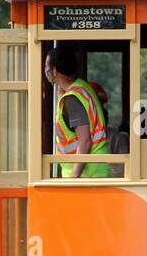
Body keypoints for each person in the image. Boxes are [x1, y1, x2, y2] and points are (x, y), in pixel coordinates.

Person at [45, 46, 110, 178]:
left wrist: (73, 180)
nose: (45, 70)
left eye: (46, 65)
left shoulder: (72, 99)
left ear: (55, 70)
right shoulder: (82, 88)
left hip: (87, 177)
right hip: (94, 172)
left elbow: (84, 141)